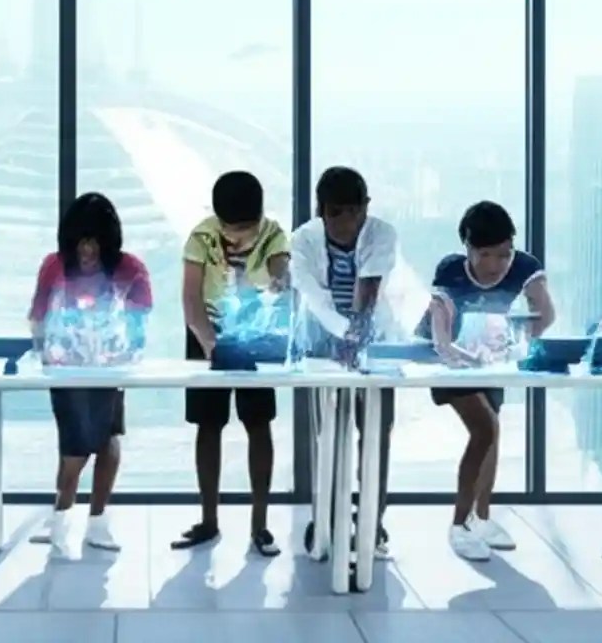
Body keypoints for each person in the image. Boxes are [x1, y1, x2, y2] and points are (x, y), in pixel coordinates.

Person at [424, 201, 554, 562]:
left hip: (490, 354)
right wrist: (462, 357)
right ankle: (458, 525)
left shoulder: (525, 266)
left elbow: (544, 315)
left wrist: (517, 345)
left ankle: (481, 518)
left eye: (503, 254)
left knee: (492, 433)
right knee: (484, 428)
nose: (495, 265)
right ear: (467, 247)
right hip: (448, 358)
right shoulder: (450, 270)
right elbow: (440, 336)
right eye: (485, 255)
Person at [26, 192, 151, 558]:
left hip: (109, 366)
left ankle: (97, 519)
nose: (88, 250)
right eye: (81, 241)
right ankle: (61, 515)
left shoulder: (129, 269)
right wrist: (40, 354)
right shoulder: (54, 266)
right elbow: (37, 314)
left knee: (109, 436)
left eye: (95, 241)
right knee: (73, 445)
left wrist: (129, 352)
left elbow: (140, 317)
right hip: (64, 368)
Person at [175, 171, 289, 557]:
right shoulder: (202, 237)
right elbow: (190, 299)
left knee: (258, 424)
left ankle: (260, 524)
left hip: (252, 334)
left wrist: (278, 285)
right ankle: (209, 519)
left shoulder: (273, 234)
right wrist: (211, 346)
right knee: (208, 425)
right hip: (205, 329)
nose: (238, 237)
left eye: (246, 229)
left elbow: (280, 271)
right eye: (231, 229)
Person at [290, 166, 397, 559]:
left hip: (374, 344)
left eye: (356, 211)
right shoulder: (302, 240)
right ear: (322, 210)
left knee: (376, 435)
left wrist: (358, 337)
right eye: (338, 212)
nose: (349, 222)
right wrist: (344, 334)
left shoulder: (381, 233)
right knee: (328, 435)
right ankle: (326, 519)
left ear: (366, 208)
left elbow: (369, 287)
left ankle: (373, 522)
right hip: (321, 344)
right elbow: (315, 299)